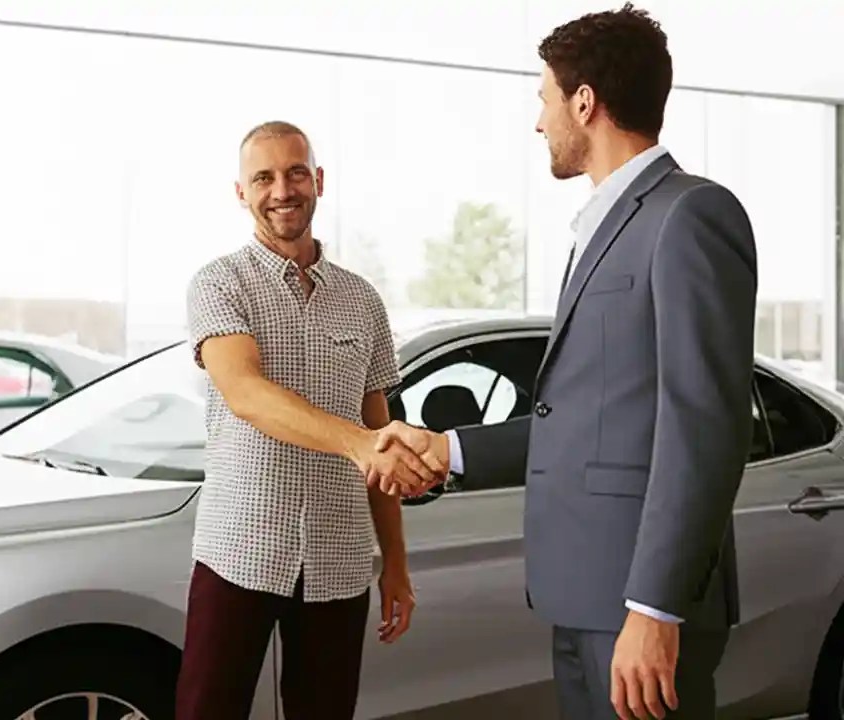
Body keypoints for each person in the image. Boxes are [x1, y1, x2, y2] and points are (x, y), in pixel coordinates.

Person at [374, 5, 757, 720]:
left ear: (586, 102)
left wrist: (655, 606)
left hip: (637, 606)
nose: (540, 121)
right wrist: (448, 448)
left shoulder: (690, 216)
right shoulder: (605, 227)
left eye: (545, 99)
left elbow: (704, 428)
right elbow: (581, 419)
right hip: (582, 597)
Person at [174, 120, 440, 720]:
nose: (282, 190)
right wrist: (363, 446)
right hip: (238, 548)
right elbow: (245, 392)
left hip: (339, 557)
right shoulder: (219, 283)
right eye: (262, 177)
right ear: (241, 193)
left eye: (295, 172)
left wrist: (395, 562)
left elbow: (383, 436)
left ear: (318, 180)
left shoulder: (363, 299)